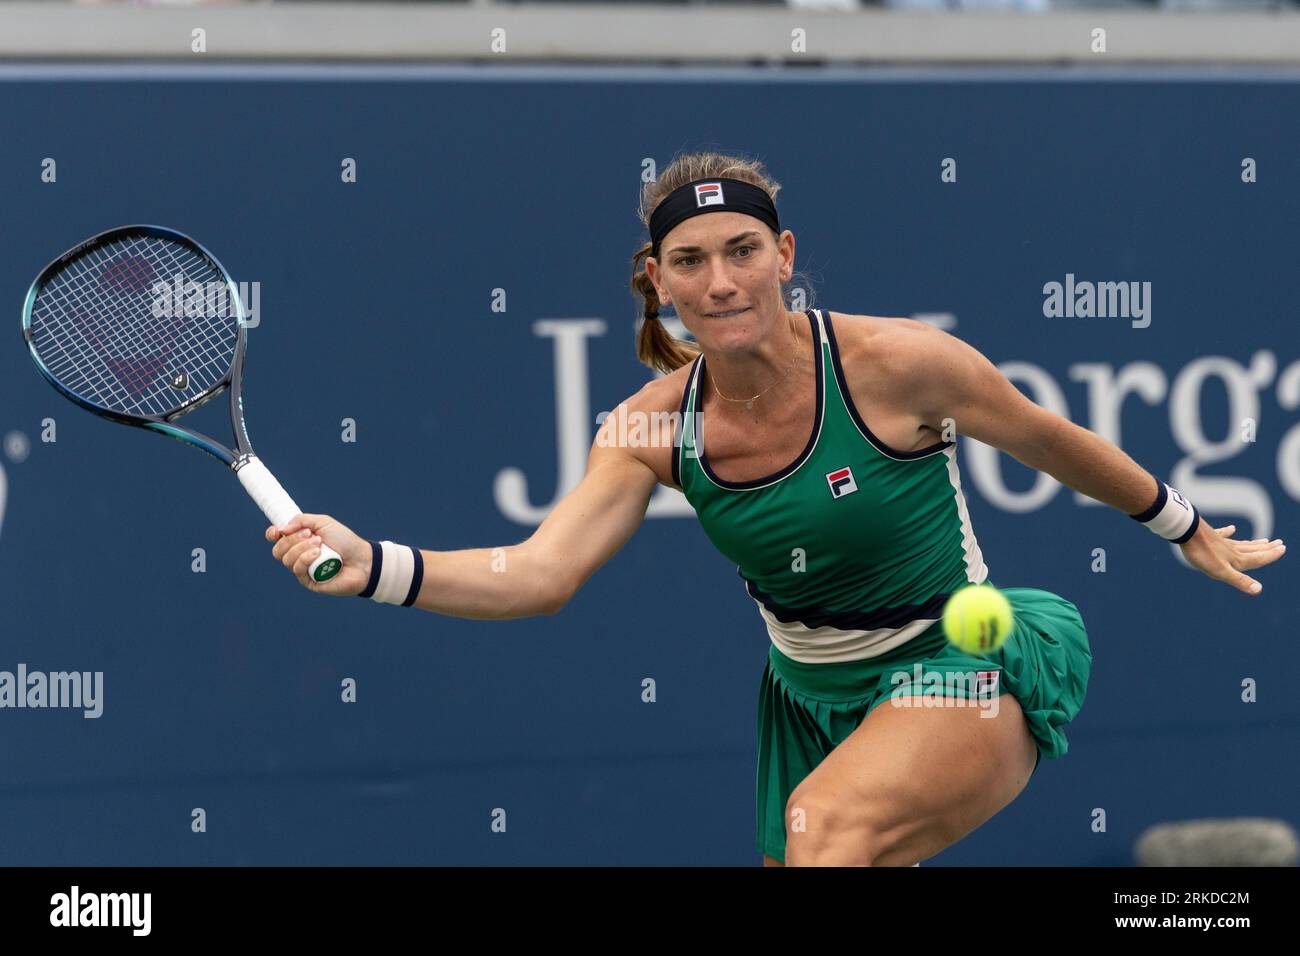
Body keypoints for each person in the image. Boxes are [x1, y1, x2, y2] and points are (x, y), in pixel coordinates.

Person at [265, 151, 1286, 866]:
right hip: (806, 701)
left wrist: (1179, 522)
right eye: (692, 260)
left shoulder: (900, 363)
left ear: (785, 252)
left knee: (824, 828)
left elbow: (1050, 440)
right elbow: (543, 572)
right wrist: (378, 564)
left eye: (743, 248)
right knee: (821, 831)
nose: (722, 279)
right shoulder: (645, 427)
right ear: (656, 280)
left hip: (964, 657)